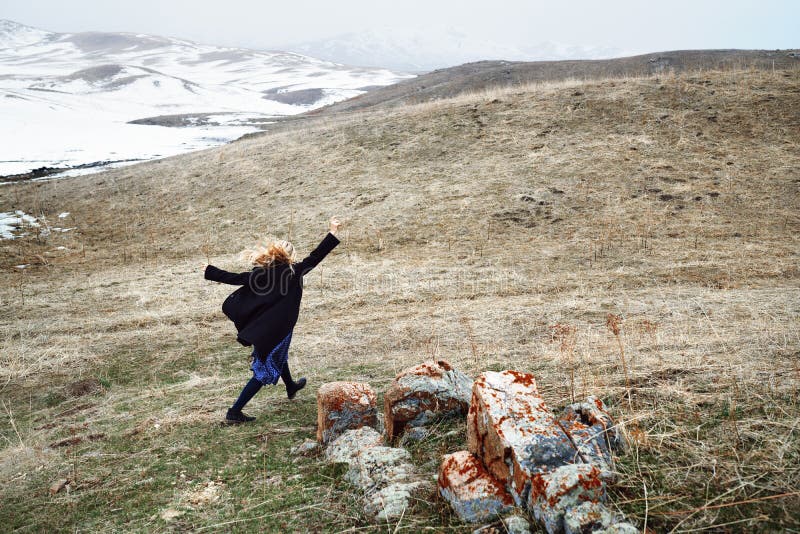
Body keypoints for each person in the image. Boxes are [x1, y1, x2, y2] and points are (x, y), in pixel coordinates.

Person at [204, 217, 341, 424]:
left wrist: (209, 270)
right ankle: (234, 411)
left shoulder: (261, 274)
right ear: (291, 257)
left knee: (277, 356)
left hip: (263, 328)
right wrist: (332, 232)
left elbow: (234, 278)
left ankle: (290, 386)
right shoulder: (294, 272)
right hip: (277, 330)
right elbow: (316, 256)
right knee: (264, 370)